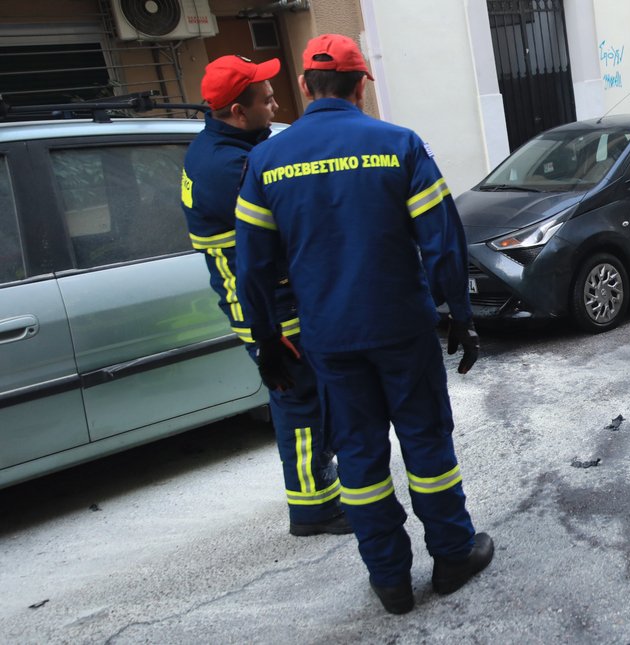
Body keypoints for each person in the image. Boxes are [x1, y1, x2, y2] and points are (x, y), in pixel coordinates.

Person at [233, 34, 492, 615]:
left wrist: (266, 341)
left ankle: (391, 582)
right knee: (426, 442)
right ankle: (453, 555)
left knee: (359, 460)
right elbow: (443, 244)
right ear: (360, 87)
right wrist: (462, 315)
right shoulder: (398, 145)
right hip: (402, 328)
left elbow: (250, 264)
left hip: (329, 338)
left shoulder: (266, 160)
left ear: (303, 86)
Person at [180, 55, 350, 538]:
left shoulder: (232, 145)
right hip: (268, 308)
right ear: (237, 111)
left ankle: (324, 482)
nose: (277, 105)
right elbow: (293, 223)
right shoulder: (224, 168)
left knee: (314, 396)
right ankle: (314, 508)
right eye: (267, 99)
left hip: (275, 299)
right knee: (298, 402)